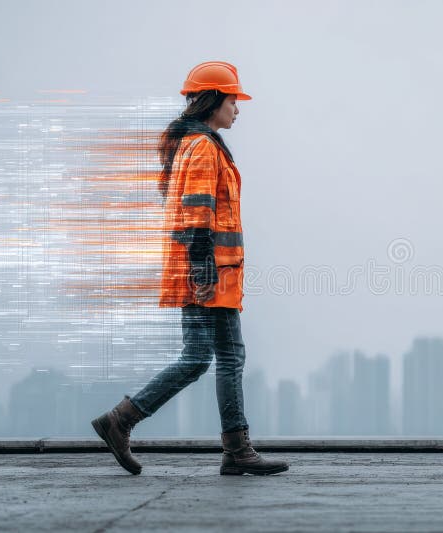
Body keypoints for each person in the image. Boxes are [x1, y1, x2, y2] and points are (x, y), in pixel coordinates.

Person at [91, 61, 289, 476]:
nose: (238, 108)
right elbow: (196, 211)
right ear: (214, 99)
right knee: (201, 357)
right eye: (234, 99)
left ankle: (236, 451)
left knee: (229, 356)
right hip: (206, 271)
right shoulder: (202, 147)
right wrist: (202, 270)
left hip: (215, 270)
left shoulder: (202, 143)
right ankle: (121, 420)